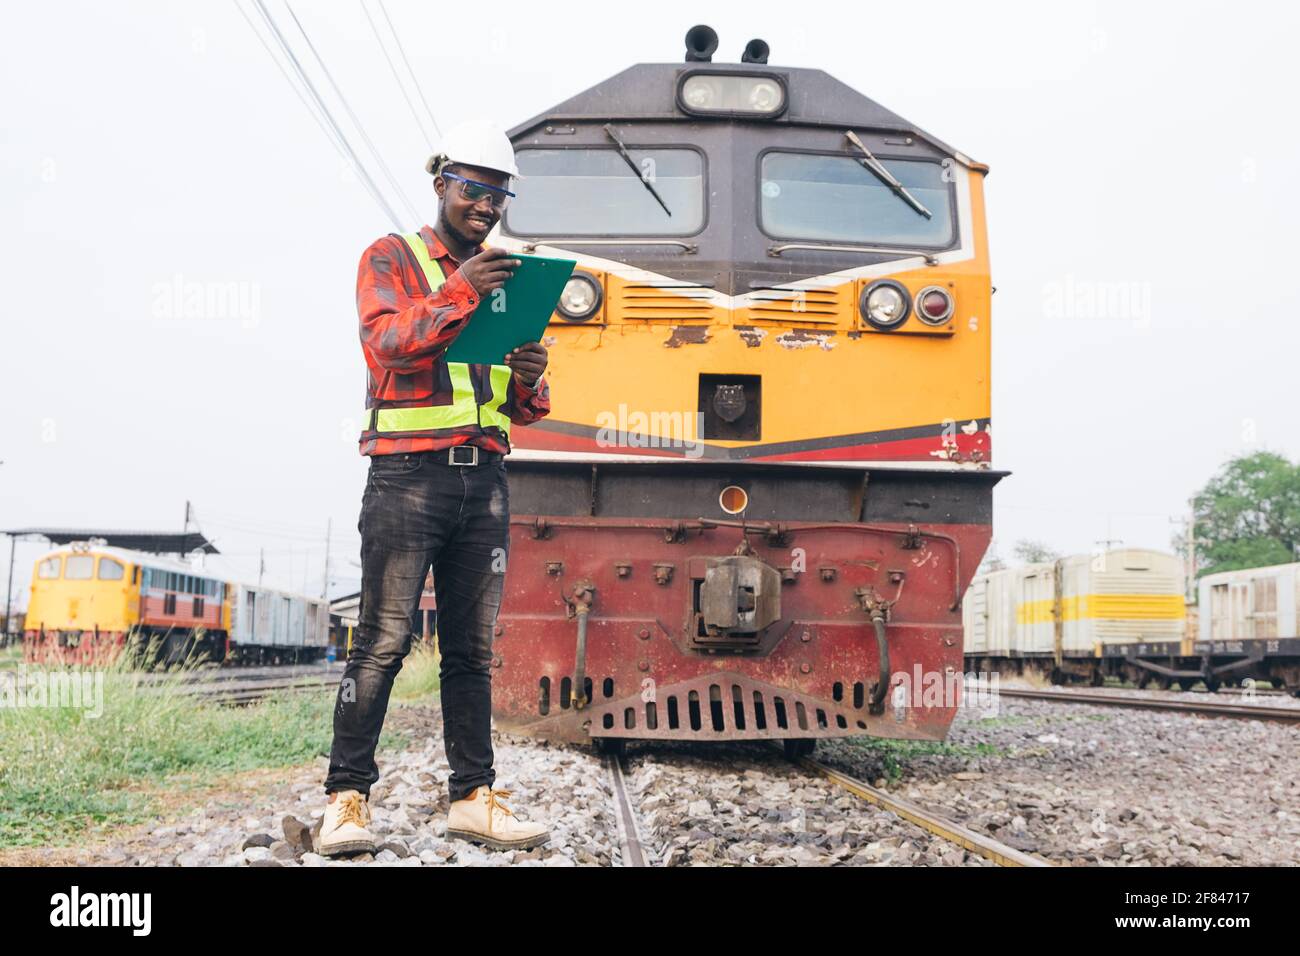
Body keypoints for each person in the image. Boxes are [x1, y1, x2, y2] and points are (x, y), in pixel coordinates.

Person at [319, 121, 551, 856]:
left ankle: (473, 798)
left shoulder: (501, 275)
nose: (487, 206)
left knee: (471, 653)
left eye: (500, 195)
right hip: (407, 478)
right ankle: (346, 800)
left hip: (484, 482)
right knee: (382, 644)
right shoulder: (392, 257)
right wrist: (460, 290)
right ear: (442, 184)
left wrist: (530, 379)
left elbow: (517, 407)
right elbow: (386, 344)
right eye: (474, 190)